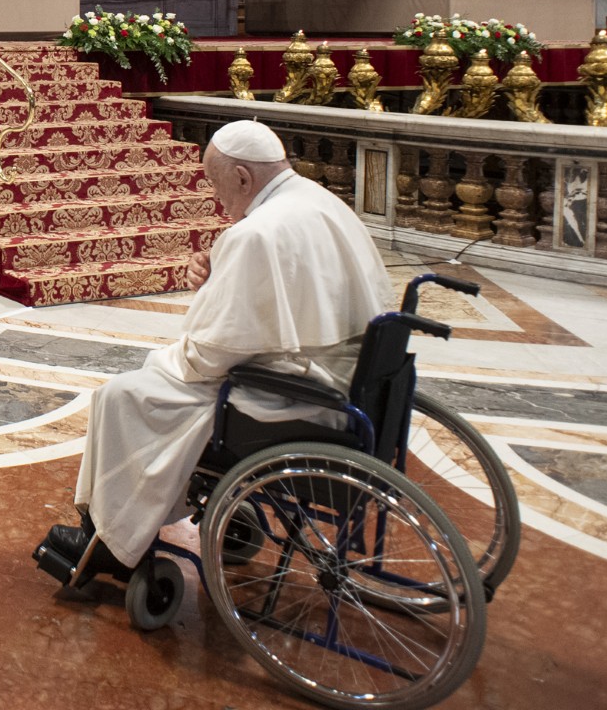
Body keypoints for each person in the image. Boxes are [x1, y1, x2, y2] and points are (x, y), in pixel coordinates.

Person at [37, 119, 385, 580]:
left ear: (242, 176)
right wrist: (221, 269)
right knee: (148, 388)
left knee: (124, 395)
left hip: (296, 397)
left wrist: (168, 357)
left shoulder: (258, 232)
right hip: (347, 385)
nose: (216, 198)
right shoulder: (320, 201)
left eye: (216, 184)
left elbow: (211, 355)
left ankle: (111, 542)